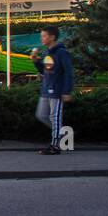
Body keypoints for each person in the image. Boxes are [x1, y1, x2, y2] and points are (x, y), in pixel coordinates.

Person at [31, 25, 74, 155]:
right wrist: (36, 61)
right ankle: (64, 135)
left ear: (52, 37)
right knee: (42, 115)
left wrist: (66, 91)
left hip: (57, 90)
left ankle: (55, 146)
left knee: (54, 117)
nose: (42, 39)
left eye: (44, 36)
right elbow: (44, 70)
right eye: (41, 36)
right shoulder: (46, 52)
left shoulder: (61, 53)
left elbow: (68, 72)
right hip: (46, 89)